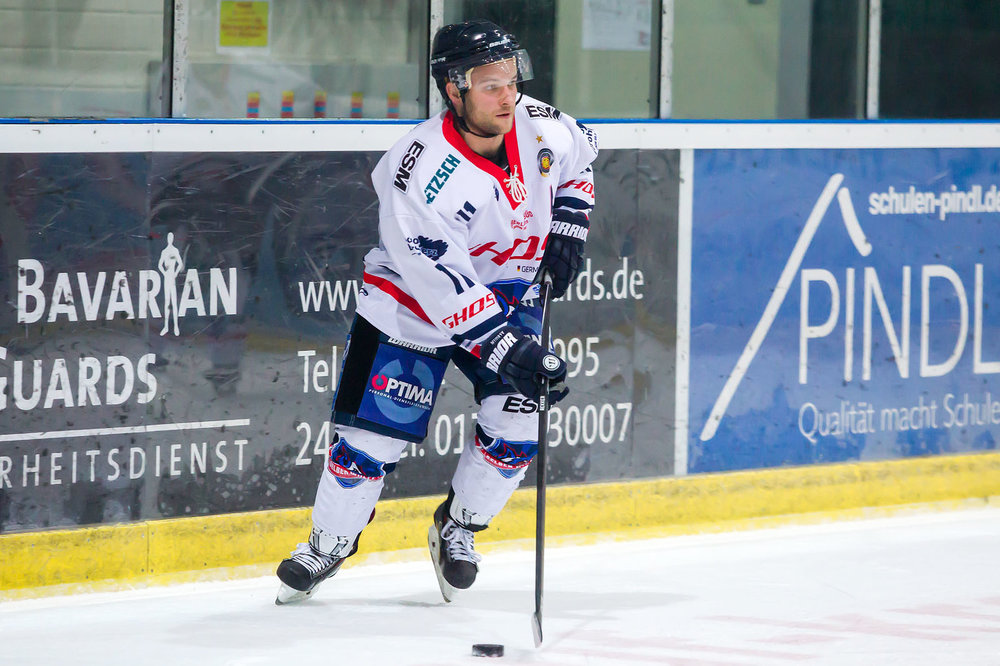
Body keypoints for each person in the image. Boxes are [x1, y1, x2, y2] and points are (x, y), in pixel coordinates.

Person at [275, 19, 598, 605]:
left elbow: (583, 158)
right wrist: (508, 349)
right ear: (454, 88)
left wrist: (572, 220)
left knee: (519, 418)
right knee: (369, 441)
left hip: (510, 292)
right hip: (411, 306)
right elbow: (441, 285)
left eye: (511, 79)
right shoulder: (419, 170)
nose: (508, 95)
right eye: (490, 84)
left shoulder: (540, 124)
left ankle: (458, 529)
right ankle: (330, 542)